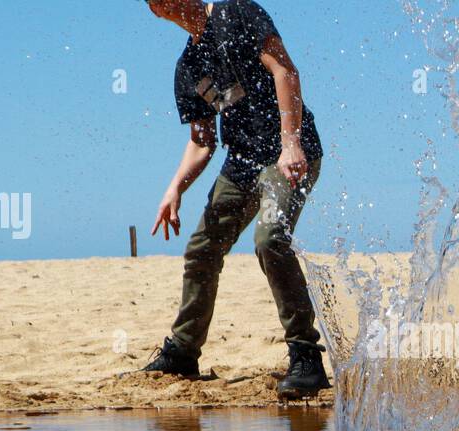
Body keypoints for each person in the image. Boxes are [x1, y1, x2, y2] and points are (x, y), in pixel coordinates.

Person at [140, 0, 330, 399]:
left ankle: (306, 357)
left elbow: (285, 69)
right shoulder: (188, 68)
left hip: (288, 152)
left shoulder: (236, 12)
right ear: (156, 11)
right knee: (202, 249)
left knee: (270, 239)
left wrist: (290, 142)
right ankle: (183, 352)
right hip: (241, 162)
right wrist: (174, 187)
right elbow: (202, 141)